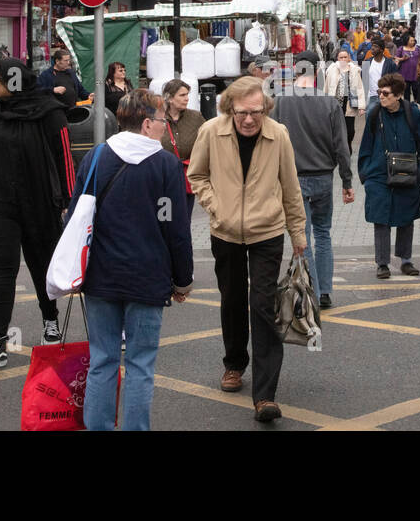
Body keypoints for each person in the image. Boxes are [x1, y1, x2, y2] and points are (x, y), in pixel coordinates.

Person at [187, 76, 307, 422]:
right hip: (225, 233)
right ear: (230, 109)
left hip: (267, 232)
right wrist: (216, 206)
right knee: (233, 300)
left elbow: (290, 187)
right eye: (242, 113)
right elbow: (197, 176)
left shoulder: (278, 134)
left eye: (256, 112)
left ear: (265, 109)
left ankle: (265, 395)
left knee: (263, 305)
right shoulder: (211, 131)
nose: (249, 119)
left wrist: (297, 234)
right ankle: (234, 363)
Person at [71, 88, 193, 431]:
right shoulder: (166, 165)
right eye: (160, 119)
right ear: (145, 124)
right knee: (140, 365)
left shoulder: (97, 158)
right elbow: (176, 228)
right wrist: (182, 279)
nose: (163, 124)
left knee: (102, 361)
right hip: (148, 278)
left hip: (99, 277)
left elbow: (76, 216)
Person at [0, 58, 75, 369]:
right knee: (2, 270)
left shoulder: (50, 112)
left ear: (12, 81)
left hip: (40, 202)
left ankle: (50, 321)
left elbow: (64, 158)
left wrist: (69, 203)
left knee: (41, 266)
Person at [273, 50, 353, 309]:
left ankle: (312, 293)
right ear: (316, 70)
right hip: (323, 178)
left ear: (295, 70)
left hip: (293, 179)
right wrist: (347, 181)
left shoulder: (280, 102)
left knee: (301, 236)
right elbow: (342, 146)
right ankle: (326, 290)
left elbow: (271, 145)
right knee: (323, 233)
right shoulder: (329, 103)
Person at [359, 73, 420, 280]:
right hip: (379, 175)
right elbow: (365, 146)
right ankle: (382, 263)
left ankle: (405, 260)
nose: (381, 96)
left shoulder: (413, 114)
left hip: (408, 174)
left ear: (399, 95)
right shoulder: (374, 114)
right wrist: (365, 173)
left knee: (406, 216)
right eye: (379, 92)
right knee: (381, 218)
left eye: (385, 93)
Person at [159, 78, 206, 213]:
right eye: (182, 95)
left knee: (184, 218)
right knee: (165, 218)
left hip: (186, 176)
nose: (186, 99)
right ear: (169, 98)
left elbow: (208, 141)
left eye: (187, 95)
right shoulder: (158, 118)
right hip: (163, 178)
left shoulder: (195, 118)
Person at [322, 49, 365, 151]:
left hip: (349, 103)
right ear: (337, 58)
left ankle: (348, 145)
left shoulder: (355, 70)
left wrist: (362, 106)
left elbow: (360, 88)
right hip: (335, 103)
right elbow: (326, 87)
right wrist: (324, 104)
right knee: (336, 128)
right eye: (341, 57)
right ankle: (339, 148)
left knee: (350, 130)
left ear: (349, 58)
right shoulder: (332, 70)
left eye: (345, 57)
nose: (343, 59)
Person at [361, 39, 399, 105]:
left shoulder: (390, 64)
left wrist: (385, 90)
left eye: (375, 46)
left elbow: (395, 81)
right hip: (370, 97)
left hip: (385, 97)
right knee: (370, 115)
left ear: (381, 50)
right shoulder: (366, 62)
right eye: (372, 46)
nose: (372, 48)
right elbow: (362, 80)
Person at [395, 35, 420, 103]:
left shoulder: (417, 49)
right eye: (411, 40)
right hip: (405, 73)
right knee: (406, 91)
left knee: (416, 89)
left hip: (415, 73)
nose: (413, 42)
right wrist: (402, 59)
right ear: (406, 41)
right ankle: (407, 106)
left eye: (413, 40)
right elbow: (395, 58)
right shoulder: (401, 48)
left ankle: (416, 104)